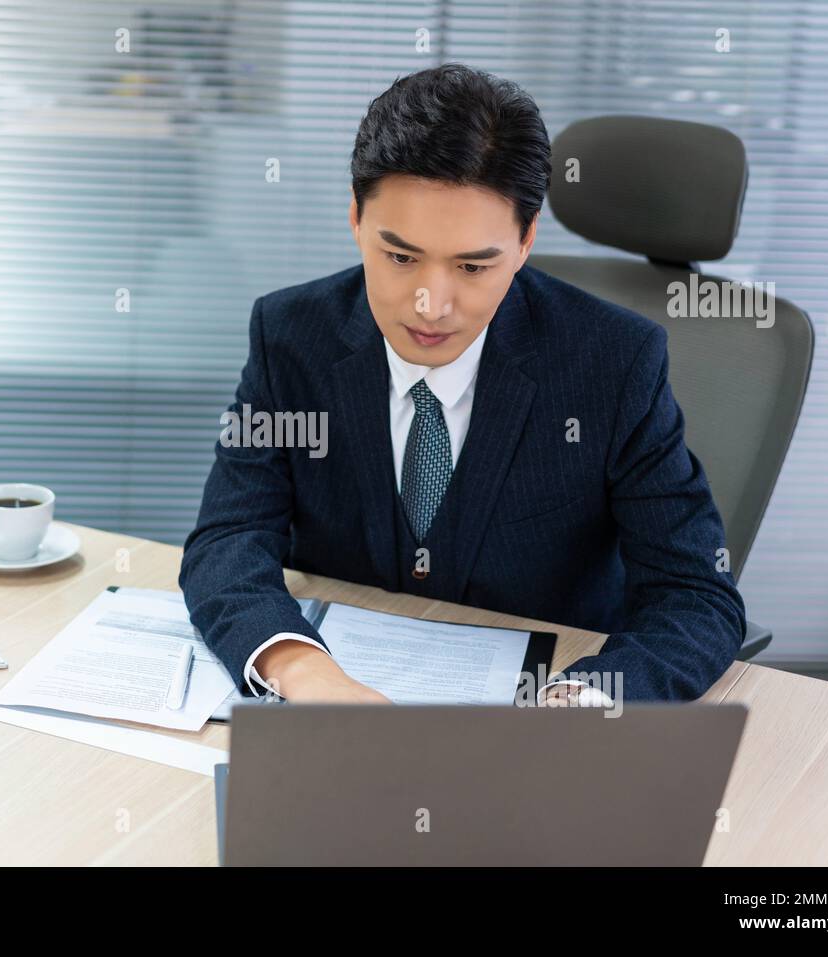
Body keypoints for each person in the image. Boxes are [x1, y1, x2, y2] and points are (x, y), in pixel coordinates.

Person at [179, 63, 745, 706]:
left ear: (526, 240)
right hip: (349, 685)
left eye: (474, 266)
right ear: (357, 221)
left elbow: (694, 594)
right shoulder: (289, 336)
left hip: (538, 709)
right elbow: (228, 540)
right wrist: (303, 671)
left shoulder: (614, 364)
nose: (430, 303)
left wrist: (585, 700)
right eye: (400, 257)